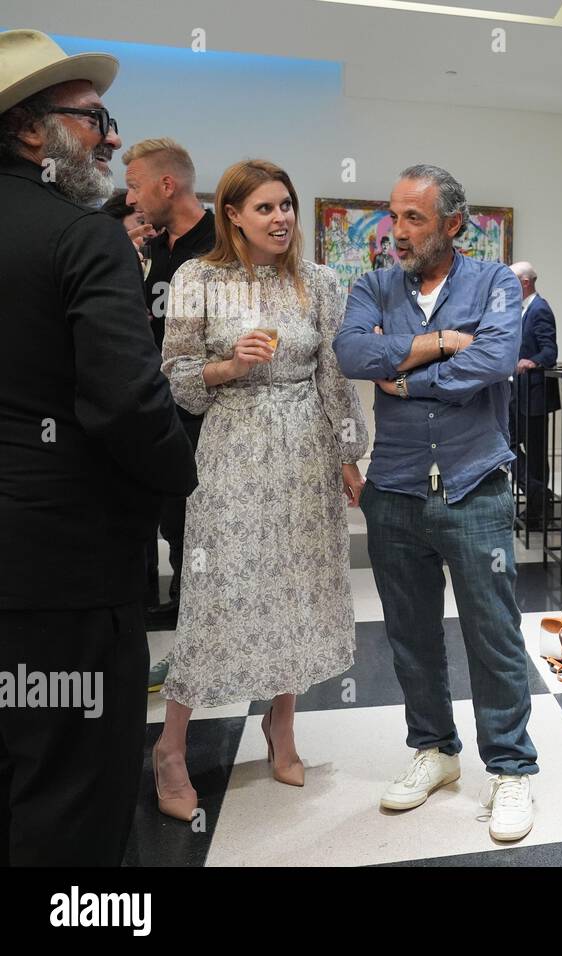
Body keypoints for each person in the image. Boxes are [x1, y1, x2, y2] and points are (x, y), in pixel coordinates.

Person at [0, 29, 197, 865]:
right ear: (32, 131)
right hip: (66, 575)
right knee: (73, 791)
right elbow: (125, 403)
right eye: (95, 119)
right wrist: (180, 477)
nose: (111, 138)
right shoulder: (82, 237)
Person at [152, 159, 368, 819]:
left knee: (295, 588)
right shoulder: (199, 279)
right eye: (265, 208)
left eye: (287, 206)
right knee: (219, 592)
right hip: (232, 449)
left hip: (304, 449)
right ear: (235, 215)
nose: (281, 219)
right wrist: (228, 363)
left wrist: (348, 453)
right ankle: (170, 747)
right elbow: (176, 378)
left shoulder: (321, 282)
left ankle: (283, 725)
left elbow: (333, 372)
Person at [333, 163, 538, 843]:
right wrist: (444, 344)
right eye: (393, 216)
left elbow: (497, 361)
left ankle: (510, 768)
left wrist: (408, 378)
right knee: (411, 635)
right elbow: (352, 354)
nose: (397, 231)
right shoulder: (373, 285)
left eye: (414, 218)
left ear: (454, 224)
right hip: (392, 491)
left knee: (494, 633)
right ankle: (436, 752)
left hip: (475, 484)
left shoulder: (495, 282)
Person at [125, 138, 215, 643]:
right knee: (175, 514)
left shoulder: (223, 244)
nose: (132, 199)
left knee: (205, 515)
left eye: (136, 186)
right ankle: (184, 601)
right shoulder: (155, 248)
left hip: (211, 405)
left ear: (167, 184)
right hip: (163, 405)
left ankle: (206, 611)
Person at [509, 260, 560, 531]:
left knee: (537, 454)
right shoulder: (523, 310)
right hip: (519, 393)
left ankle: (538, 509)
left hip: (535, 395)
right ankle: (540, 495)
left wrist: (531, 361)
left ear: (525, 282)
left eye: (512, 281)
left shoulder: (540, 309)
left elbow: (550, 352)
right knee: (509, 444)